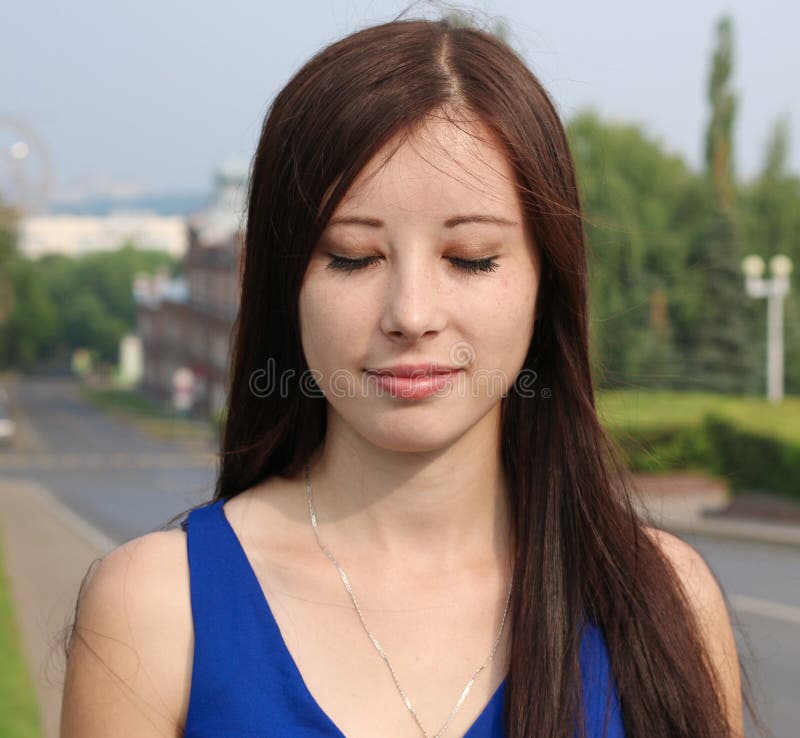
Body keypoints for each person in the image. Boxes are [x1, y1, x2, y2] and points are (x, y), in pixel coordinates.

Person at [60, 12, 745, 738]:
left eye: (472, 257)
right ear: (277, 282)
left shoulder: (660, 600)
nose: (411, 314)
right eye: (353, 257)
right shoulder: (157, 609)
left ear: (548, 281)